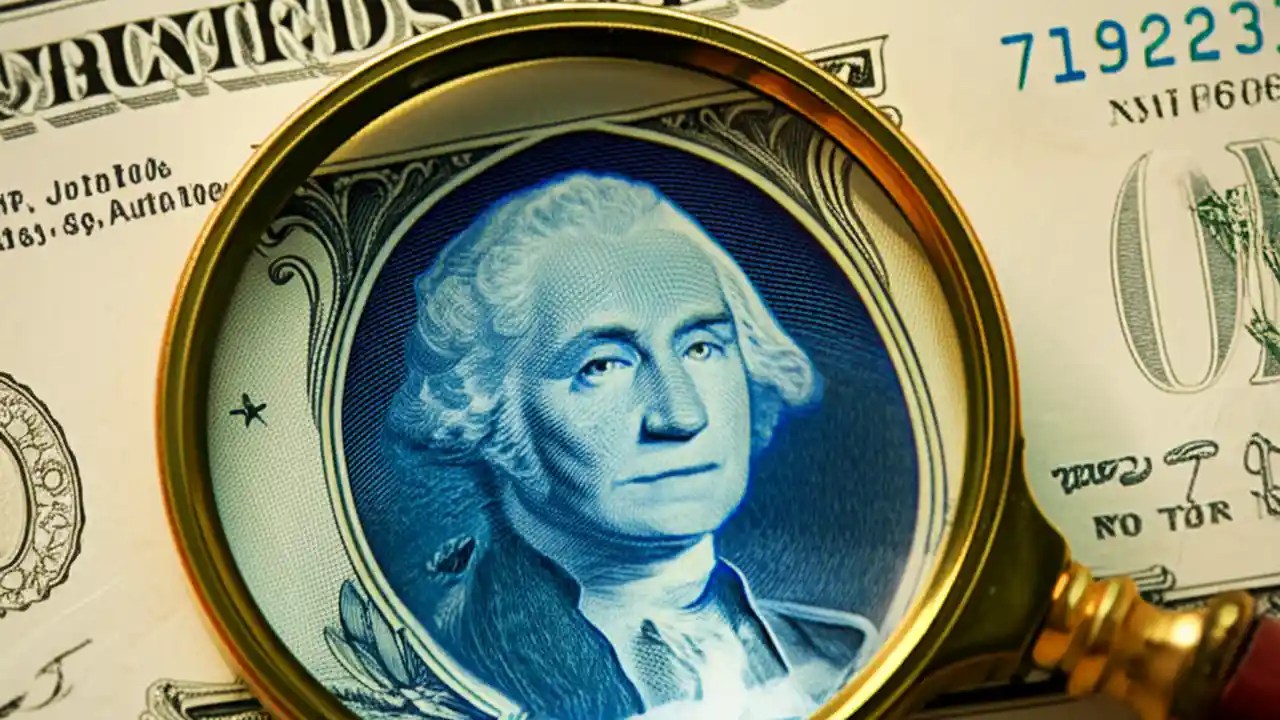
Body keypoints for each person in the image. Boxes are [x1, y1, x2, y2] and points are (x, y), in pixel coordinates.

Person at [382, 171, 878, 720]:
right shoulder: (439, 661)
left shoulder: (841, 651)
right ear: (489, 406)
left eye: (701, 348)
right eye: (602, 365)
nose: (681, 415)